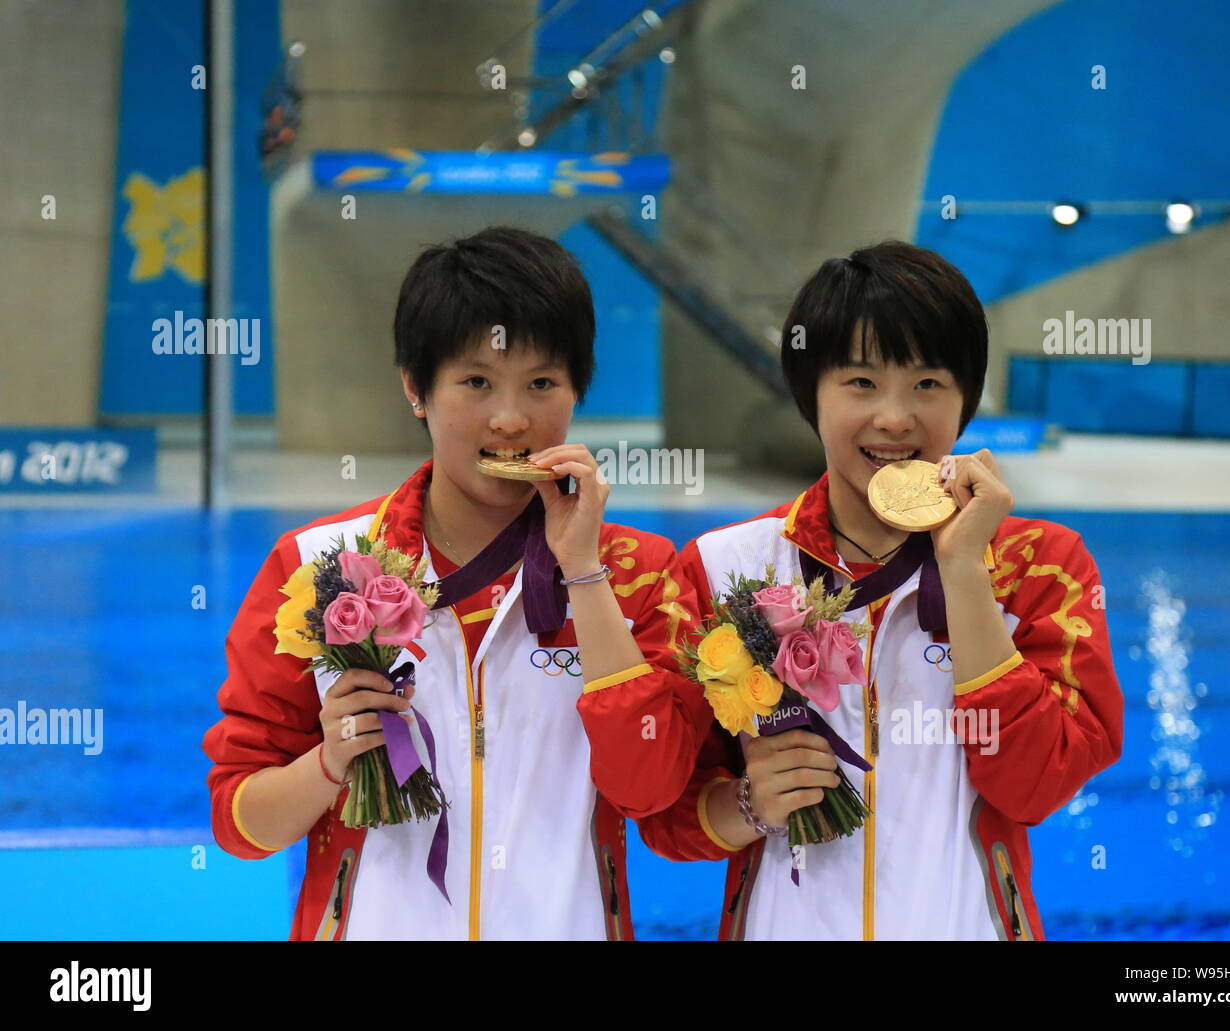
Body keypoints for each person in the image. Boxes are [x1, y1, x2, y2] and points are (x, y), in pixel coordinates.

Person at [201, 226, 709, 940]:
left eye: (542, 383)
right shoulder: (319, 566)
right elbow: (238, 820)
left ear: (577, 390)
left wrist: (583, 572)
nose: (510, 418)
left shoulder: (639, 571)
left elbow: (650, 787)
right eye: (476, 382)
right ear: (416, 387)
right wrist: (329, 762)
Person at [636, 241, 1124, 940]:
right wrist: (747, 804)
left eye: (928, 384)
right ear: (812, 395)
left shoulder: (1039, 566)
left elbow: (1038, 783)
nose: (895, 418)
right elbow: (661, 810)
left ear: (964, 398)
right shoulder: (724, 565)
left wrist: (963, 573)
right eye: (860, 383)